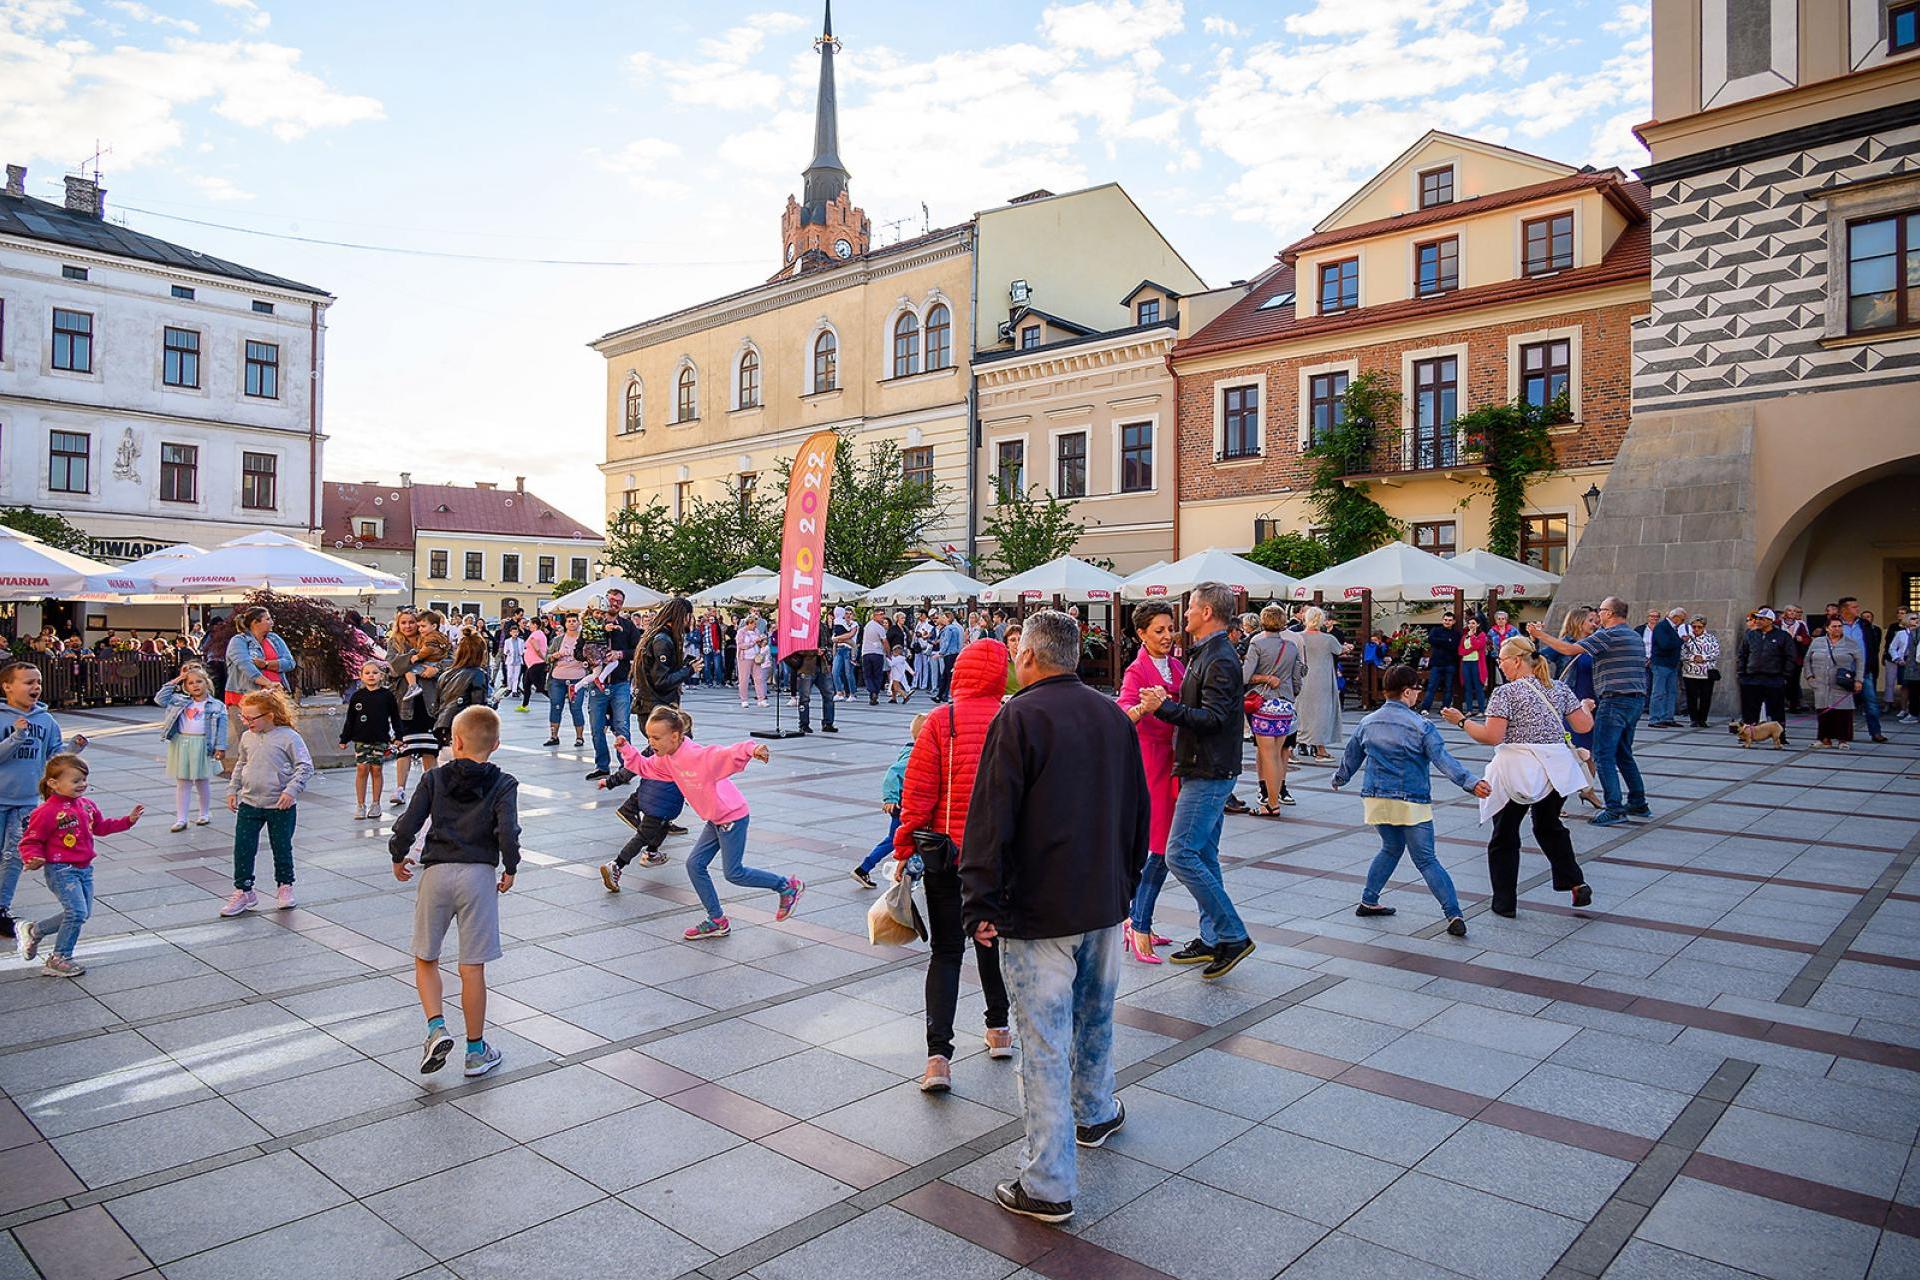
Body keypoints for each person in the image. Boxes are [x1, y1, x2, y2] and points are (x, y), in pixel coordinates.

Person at [958, 611, 1149, 1224]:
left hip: (1038, 908)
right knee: (1095, 1016)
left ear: (1032, 658)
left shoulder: (1019, 715)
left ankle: (1047, 1182)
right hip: (1102, 899)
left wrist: (979, 900)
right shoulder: (1111, 716)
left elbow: (992, 814)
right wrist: (1125, 883)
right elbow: (1137, 809)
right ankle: (1095, 1111)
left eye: (1019, 653)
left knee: (1041, 1041)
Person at [889, 640, 1015, 1090]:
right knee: (990, 942)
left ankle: (937, 1058)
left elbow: (917, 795)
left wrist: (903, 849)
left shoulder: (943, 720)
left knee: (945, 951)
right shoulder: (1012, 715)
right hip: (998, 856)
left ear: (959, 671)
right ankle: (999, 1029)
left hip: (947, 854)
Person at [1134, 582, 1257, 979]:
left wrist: (1166, 708)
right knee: (1202, 855)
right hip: (1199, 766)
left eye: (1187, 611)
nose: (1181, 619)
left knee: (1179, 854)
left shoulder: (1218, 658)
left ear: (1206, 613)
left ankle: (1233, 934)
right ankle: (1213, 937)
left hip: (1208, 769)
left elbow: (1215, 719)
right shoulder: (1205, 654)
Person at [391, 705, 518, 1079]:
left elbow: (409, 822)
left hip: (437, 873)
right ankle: (476, 1051)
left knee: (426, 957)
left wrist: (398, 854)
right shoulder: (504, 783)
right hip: (479, 874)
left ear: (455, 741)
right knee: (471, 966)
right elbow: (507, 831)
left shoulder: (433, 779)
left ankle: (436, 1028)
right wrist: (510, 866)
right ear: (495, 744)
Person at [615, 707, 802, 940]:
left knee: (734, 873)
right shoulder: (667, 759)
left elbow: (724, 754)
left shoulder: (696, 756)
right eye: (649, 737)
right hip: (716, 818)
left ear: (675, 736)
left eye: (656, 737)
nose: (651, 742)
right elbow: (644, 767)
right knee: (695, 865)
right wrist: (626, 749)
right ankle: (717, 920)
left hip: (732, 816)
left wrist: (753, 749)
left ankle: (786, 886)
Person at [1445, 637, 1596, 916]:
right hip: (1556, 770)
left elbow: (1492, 736)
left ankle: (1505, 902)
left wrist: (1462, 721)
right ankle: (1575, 881)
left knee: (1505, 834)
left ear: (1516, 661)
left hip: (1518, 770)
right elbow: (1584, 725)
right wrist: (1586, 706)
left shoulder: (1506, 693)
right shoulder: (1559, 688)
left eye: (1501, 660)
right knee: (1549, 827)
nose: (1499, 665)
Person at [1335, 666, 1488, 936]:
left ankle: (1369, 901)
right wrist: (1471, 783)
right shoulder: (1422, 725)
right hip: (1411, 800)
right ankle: (1453, 914)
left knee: (1390, 847)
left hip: (1376, 798)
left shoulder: (1367, 722)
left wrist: (1340, 779)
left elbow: (1352, 756)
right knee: (1426, 859)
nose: (1418, 694)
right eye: (1417, 689)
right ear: (1406, 692)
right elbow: (1444, 760)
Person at [16, 754, 141, 977]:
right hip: (61, 869)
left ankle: (35, 930)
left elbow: (101, 827)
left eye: (84, 779)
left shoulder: (86, 805)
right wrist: (32, 858)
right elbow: (31, 840)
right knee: (76, 912)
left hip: (84, 869)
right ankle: (59, 957)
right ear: (54, 784)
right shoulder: (46, 812)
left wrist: (127, 821)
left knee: (81, 914)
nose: (82, 784)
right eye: (75, 781)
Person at [1530, 597, 1648, 828]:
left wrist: (1540, 634)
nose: (1599, 615)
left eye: (1601, 611)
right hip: (1635, 700)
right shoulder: (1634, 635)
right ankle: (1638, 801)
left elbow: (1569, 649)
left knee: (1603, 755)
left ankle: (1614, 808)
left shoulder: (1609, 634)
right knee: (1623, 753)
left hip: (1614, 700)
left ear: (1610, 613)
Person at [0, 662, 87, 944]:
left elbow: (54, 759)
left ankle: (1, 909)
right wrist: (16, 738)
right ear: (7, 686)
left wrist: (73, 749)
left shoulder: (46, 721)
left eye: (37, 682)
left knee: (14, 855)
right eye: (27, 682)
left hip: (26, 801)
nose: (35, 687)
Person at [1118, 602, 1184, 963]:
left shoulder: (1176, 665)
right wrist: (1146, 707)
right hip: (1151, 762)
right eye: (1158, 630)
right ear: (1141, 634)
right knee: (1158, 848)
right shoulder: (1136, 670)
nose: (1167, 635)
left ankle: (1141, 919)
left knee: (1163, 847)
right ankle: (1137, 924)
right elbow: (1124, 715)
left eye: (1170, 628)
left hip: (1174, 759)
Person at [221, 688, 314, 916]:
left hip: (280, 805)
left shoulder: (288, 737)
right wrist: (233, 789)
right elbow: (242, 764)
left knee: (281, 847)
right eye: (244, 717)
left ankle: (285, 886)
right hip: (250, 803)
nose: (247, 723)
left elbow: (305, 766)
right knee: (243, 848)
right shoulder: (247, 737)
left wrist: (291, 791)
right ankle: (243, 890)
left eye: (251, 718)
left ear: (270, 715)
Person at [1240, 605, 1304, 814]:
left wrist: (1262, 678)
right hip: (1285, 704)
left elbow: (1245, 676)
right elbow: (1297, 680)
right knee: (1277, 755)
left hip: (1263, 703)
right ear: (1284, 622)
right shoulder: (1292, 647)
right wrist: (1289, 694)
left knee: (1267, 754)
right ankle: (1274, 800)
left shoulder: (1256, 644)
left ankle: (1271, 803)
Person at [849, 713, 923, 889]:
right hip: (904, 804)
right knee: (896, 839)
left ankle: (867, 868)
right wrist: (890, 797)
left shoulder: (912, 750)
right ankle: (865, 869)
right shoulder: (914, 754)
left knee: (898, 838)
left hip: (907, 803)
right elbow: (893, 772)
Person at [154, 666, 226, 831]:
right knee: (183, 781)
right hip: (182, 743)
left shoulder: (216, 705)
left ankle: (204, 813)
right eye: (190, 683)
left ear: (206, 683)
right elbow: (160, 699)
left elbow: (222, 728)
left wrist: (220, 747)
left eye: (199, 681)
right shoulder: (180, 700)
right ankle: (181, 818)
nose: (195, 685)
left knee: (202, 780)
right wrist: (177, 680)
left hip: (202, 744)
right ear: (185, 687)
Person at [222, 606, 295, 762]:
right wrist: (267, 683)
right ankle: (249, 772)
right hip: (245, 696)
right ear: (255, 623)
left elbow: (290, 662)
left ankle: (274, 769)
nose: (272, 622)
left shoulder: (274, 639)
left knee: (276, 738)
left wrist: (266, 664)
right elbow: (245, 665)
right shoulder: (239, 641)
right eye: (267, 619)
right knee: (250, 739)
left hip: (274, 697)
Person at [585, 589, 643, 781]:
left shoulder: (627, 626)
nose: (615, 604)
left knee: (622, 726)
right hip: (597, 684)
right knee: (596, 727)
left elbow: (638, 650)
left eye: (619, 601)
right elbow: (579, 649)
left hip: (619, 683)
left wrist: (620, 654)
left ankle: (625, 767)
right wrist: (587, 659)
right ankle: (602, 766)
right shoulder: (592, 624)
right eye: (612, 600)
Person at [384, 612, 438, 808]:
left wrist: (436, 668)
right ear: (398, 624)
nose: (408, 626)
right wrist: (415, 657)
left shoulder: (432, 639)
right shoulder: (394, 643)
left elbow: (449, 659)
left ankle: (432, 788)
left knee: (429, 748)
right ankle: (400, 788)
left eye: (412, 622)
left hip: (429, 699)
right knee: (404, 746)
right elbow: (393, 666)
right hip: (405, 701)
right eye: (403, 623)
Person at [340, 660, 403, 821]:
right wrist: (344, 738)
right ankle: (360, 804)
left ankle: (376, 803)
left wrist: (399, 736)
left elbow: (395, 717)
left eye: (375, 673)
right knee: (362, 768)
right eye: (367, 673)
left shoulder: (387, 695)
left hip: (380, 738)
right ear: (361, 677)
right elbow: (351, 719)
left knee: (376, 769)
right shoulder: (357, 696)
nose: (371, 676)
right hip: (361, 738)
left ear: (381, 676)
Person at [1293, 606, 1349, 764]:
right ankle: (1320, 750)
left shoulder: (1297, 637)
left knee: (1301, 712)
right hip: (1322, 681)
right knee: (1321, 714)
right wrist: (1347, 648)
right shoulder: (1328, 639)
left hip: (1302, 679)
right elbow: (1339, 650)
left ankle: (1290, 748)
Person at [1807, 615, 1866, 749]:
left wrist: (1858, 680)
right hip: (1821, 683)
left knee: (1843, 712)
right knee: (1823, 711)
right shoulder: (1817, 642)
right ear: (1827, 628)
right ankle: (1824, 739)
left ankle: (1843, 740)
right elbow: (1807, 660)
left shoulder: (1851, 643)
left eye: (1840, 626)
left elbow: (1860, 662)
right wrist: (1810, 677)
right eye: (1834, 626)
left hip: (1841, 683)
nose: (1837, 629)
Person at [634, 597, 699, 720]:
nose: (691, 621)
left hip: (656, 707)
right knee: (683, 738)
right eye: (690, 616)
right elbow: (662, 681)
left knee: (683, 737)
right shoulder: (662, 640)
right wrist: (690, 670)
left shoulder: (662, 635)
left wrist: (685, 665)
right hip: (657, 708)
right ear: (683, 616)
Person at [1735, 607, 1795, 733]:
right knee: (1750, 710)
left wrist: (1784, 676)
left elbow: (1790, 657)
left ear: (1770, 621)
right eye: (1757, 618)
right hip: (1751, 678)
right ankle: (1749, 734)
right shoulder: (1750, 635)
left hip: (1773, 678)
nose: (1758, 621)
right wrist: (1742, 674)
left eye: (1762, 619)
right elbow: (1742, 655)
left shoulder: (1782, 636)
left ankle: (1780, 736)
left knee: (1776, 710)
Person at [433, 634, 491, 763]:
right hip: (466, 739)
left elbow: (437, 707)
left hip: (444, 735)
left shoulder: (445, 674)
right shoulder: (478, 674)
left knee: (446, 778)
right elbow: (478, 709)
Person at [1839, 598, 1888, 743]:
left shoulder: (1864, 625)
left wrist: (1872, 665)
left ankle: (1876, 732)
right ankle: (1844, 734)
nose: (1857, 609)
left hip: (1864, 670)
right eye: (1854, 607)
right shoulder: (1835, 624)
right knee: (1843, 705)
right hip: (1843, 670)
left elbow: (1872, 647)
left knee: (1871, 703)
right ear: (1844, 609)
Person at [542, 614, 589, 750]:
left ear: (579, 623)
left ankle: (579, 737)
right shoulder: (558, 640)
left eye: (574, 621)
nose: (572, 623)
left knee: (576, 708)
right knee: (556, 706)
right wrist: (555, 656)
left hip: (577, 678)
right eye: (569, 621)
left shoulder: (584, 639)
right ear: (565, 624)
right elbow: (547, 657)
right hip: (558, 678)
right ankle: (553, 736)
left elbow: (591, 656)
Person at [1415, 611, 1462, 714]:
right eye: (1445, 620)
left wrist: (1441, 642)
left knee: (1448, 688)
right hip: (1436, 664)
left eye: (1450, 620)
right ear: (1442, 620)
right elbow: (1431, 640)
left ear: (1453, 622)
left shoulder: (1456, 634)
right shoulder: (1435, 630)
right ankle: (1425, 708)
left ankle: (1444, 709)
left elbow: (1454, 646)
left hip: (1450, 664)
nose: (1447, 622)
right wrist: (1447, 641)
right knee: (1431, 687)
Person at [1648, 607, 1686, 727]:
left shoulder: (1672, 628)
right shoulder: (1662, 627)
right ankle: (1655, 718)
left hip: (1672, 664)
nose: (1683, 622)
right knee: (1658, 692)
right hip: (1661, 664)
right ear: (1676, 618)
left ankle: (1668, 717)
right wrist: (1681, 641)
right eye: (1682, 619)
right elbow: (1664, 644)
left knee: (1671, 692)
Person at [1681, 617, 1721, 729]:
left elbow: (1716, 652)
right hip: (1690, 671)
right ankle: (1693, 719)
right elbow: (1681, 653)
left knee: (1706, 696)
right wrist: (1693, 657)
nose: (1697, 629)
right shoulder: (1687, 638)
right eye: (1694, 627)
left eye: (1699, 627)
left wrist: (1703, 657)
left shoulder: (1711, 638)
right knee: (1691, 696)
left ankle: (1703, 719)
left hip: (1706, 672)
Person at [735, 613, 769, 709]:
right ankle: (744, 700)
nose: (755, 626)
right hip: (745, 658)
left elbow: (759, 643)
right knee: (744, 679)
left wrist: (762, 641)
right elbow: (741, 645)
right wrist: (754, 642)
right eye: (754, 624)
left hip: (756, 658)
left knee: (759, 678)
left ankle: (761, 699)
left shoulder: (757, 631)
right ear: (749, 623)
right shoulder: (741, 632)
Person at [1459, 616, 1491, 717]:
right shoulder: (1464, 636)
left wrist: (1472, 637)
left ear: (1478, 624)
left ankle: (1481, 710)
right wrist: (1470, 650)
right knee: (1467, 687)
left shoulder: (1482, 635)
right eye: (1469, 623)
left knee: (1478, 687)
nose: (1471, 625)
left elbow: (1478, 646)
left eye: (1473, 623)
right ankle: (1469, 709)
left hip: (1477, 663)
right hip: (1466, 663)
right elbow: (1460, 651)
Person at [517, 617, 548, 713]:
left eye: (530, 623)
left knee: (540, 686)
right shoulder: (540, 633)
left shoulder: (535, 635)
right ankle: (524, 705)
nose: (528, 625)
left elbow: (537, 649)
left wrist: (543, 658)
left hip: (536, 663)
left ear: (535, 624)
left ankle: (556, 700)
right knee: (527, 684)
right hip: (532, 664)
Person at [861, 608, 889, 705]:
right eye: (880, 614)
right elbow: (884, 642)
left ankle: (872, 692)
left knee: (868, 675)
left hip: (866, 653)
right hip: (877, 653)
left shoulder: (867, 626)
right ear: (874, 616)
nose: (882, 616)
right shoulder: (879, 628)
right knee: (877, 675)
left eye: (883, 614)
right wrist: (888, 653)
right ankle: (874, 692)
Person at [831, 607, 858, 701]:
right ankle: (839, 692)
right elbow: (834, 635)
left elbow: (850, 634)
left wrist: (837, 638)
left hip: (849, 649)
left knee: (848, 673)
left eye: (850, 613)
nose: (848, 615)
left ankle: (852, 693)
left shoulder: (854, 624)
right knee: (835, 672)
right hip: (839, 649)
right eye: (846, 613)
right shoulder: (840, 623)